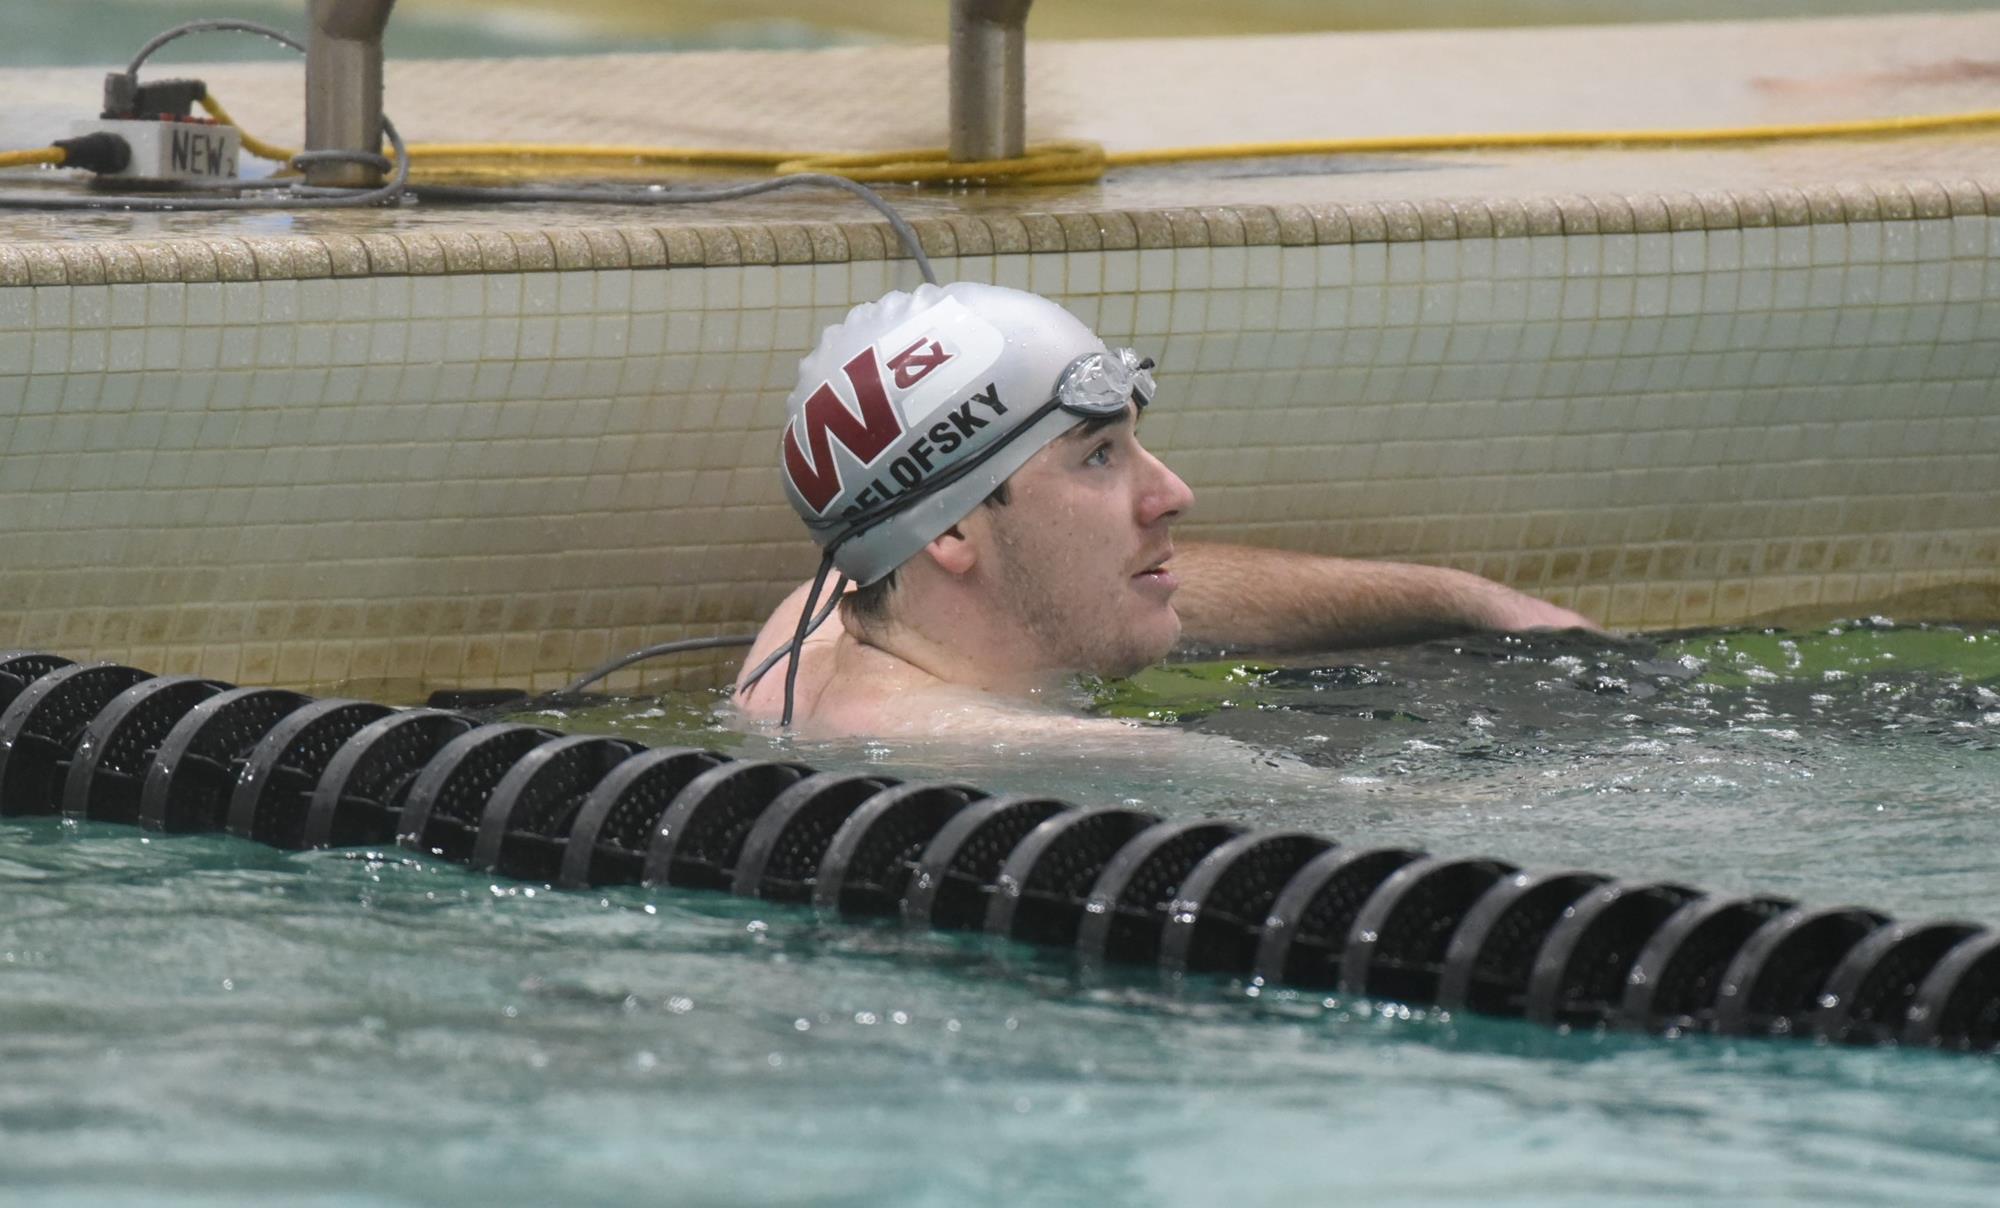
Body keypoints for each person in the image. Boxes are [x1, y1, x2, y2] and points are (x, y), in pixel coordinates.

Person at [734, 282, 1592, 736]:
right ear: (955, 530)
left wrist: (1462, 599)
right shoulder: (1072, 766)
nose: (1172, 494)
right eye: (1099, 456)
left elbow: (1113, 586)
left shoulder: (801, 648)